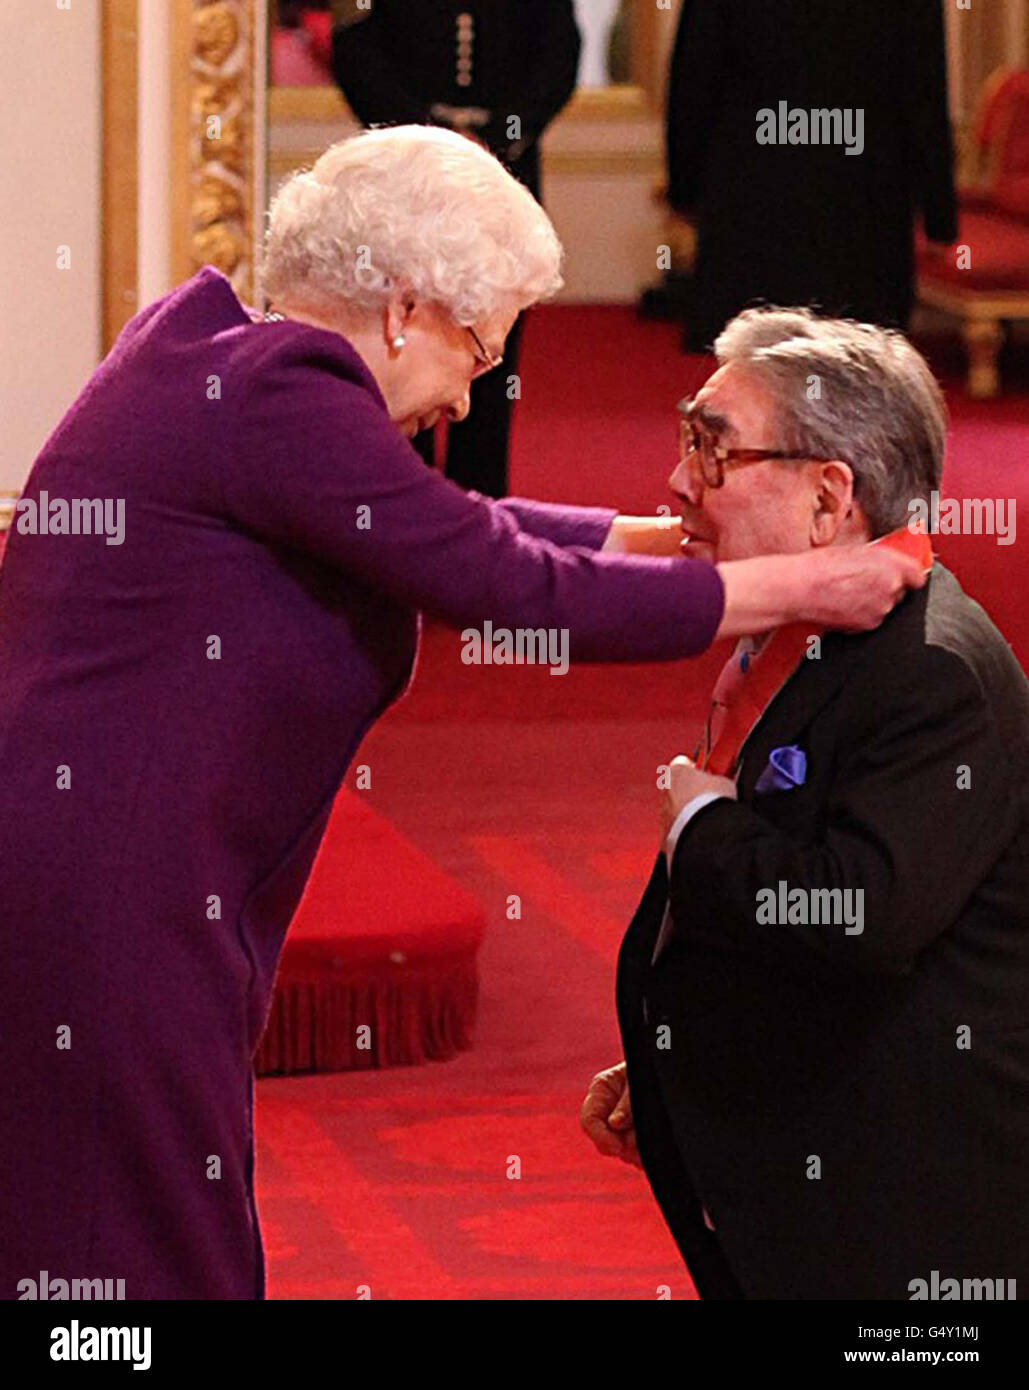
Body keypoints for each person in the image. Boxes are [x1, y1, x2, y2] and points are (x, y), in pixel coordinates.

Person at [0, 129, 920, 1301]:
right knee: (125, 1249)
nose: (471, 390)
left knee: (119, 1220)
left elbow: (444, 520)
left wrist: (654, 537)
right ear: (405, 310)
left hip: (113, 871)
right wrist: (798, 586)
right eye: (481, 349)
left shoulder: (217, 346)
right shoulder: (285, 391)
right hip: (112, 892)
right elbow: (499, 582)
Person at [581, 307, 1029, 1300]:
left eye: (711, 448)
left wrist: (700, 822)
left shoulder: (931, 672)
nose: (676, 481)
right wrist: (683, 1065)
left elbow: (858, 912)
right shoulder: (811, 635)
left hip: (901, 1220)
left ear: (831, 499)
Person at [331, 0, 581, 496]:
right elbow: (356, 51)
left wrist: (497, 136)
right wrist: (425, 135)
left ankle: (483, 504)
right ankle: (401, 492)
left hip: (504, 169)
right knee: (398, 327)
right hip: (402, 171)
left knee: (492, 337)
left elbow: (558, 58)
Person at [666, 0, 957, 350]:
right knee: (858, 367)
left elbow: (694, 79)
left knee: (755, 365)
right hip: (864, 197)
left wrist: (684, 189)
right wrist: (939, 214)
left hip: (755, 195)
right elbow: (925, 91)